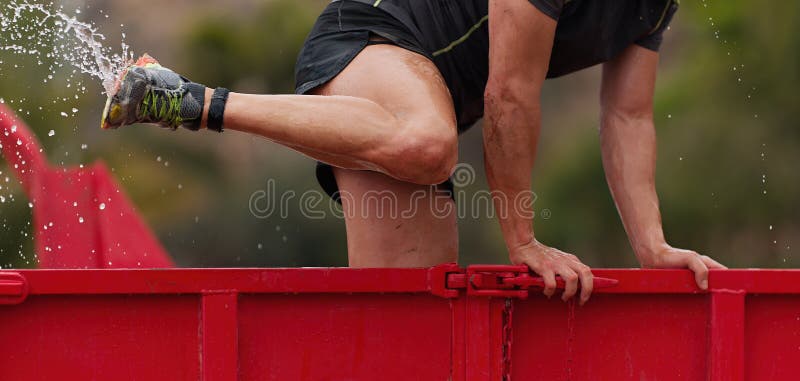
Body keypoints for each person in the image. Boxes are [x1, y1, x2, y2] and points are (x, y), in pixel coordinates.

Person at [101, 0, 726, 305]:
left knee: (409, 332)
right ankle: (190, 101)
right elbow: (507, 95)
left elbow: (628, 112)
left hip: (429, 98)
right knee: (430, 145)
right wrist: (524, 243)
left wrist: (653, 247)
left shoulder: (654, 4)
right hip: (374, 42)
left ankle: (186, 98)